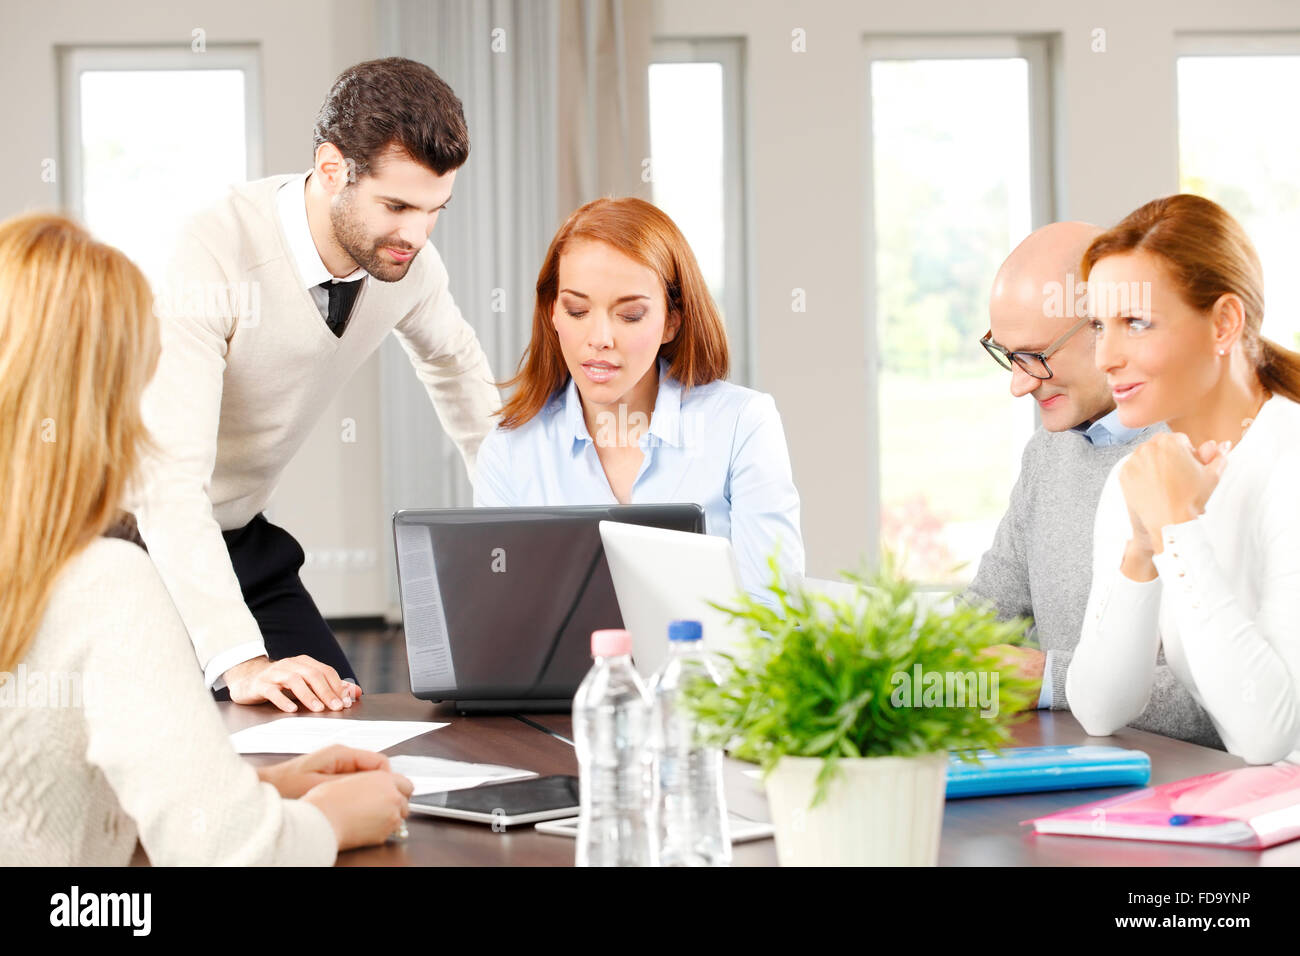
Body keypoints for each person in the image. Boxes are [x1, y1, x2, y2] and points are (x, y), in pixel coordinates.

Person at [0, 214, 413, 865]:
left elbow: (48, 810)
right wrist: (327, 822)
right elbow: (227, 855)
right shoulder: (102, 582)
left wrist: (254, 790)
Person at [131, 58, 500, 712]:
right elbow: (167, 481)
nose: (416, 234)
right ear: (332, 170)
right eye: (397, 206)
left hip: (237, 535)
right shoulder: (215, 247)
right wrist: (240, 660)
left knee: (335, 719)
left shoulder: (407, 264)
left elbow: (460, 373)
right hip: (126, 536)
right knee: (197, 737)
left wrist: (517, 522)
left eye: (435, 210)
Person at [472, 197, 804, 601]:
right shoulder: (509, 450)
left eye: (629, 316)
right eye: (577, 311)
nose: (600, 339)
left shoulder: (742, 425)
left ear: (672, 321)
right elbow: (503, 614)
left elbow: (773, 613)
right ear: (553, 314)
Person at [1066, 194, 1300, 764]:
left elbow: (1274, 737)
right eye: (1099, 325)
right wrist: (1143, 550)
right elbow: (1099, 708)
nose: (1105, 357)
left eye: (1135, 323)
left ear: (1223, 323)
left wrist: (1178, 530)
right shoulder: (1143, 476)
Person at [965, 222, 1219, 746]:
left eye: (1035, 356)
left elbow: (1226, 698)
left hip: (1194, 786)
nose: (1018, 384)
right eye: (1007, 355)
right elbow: (981, 620)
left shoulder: (1209, 453)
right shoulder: (1048, 455)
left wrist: (1047, 679)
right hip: (1082, 770)